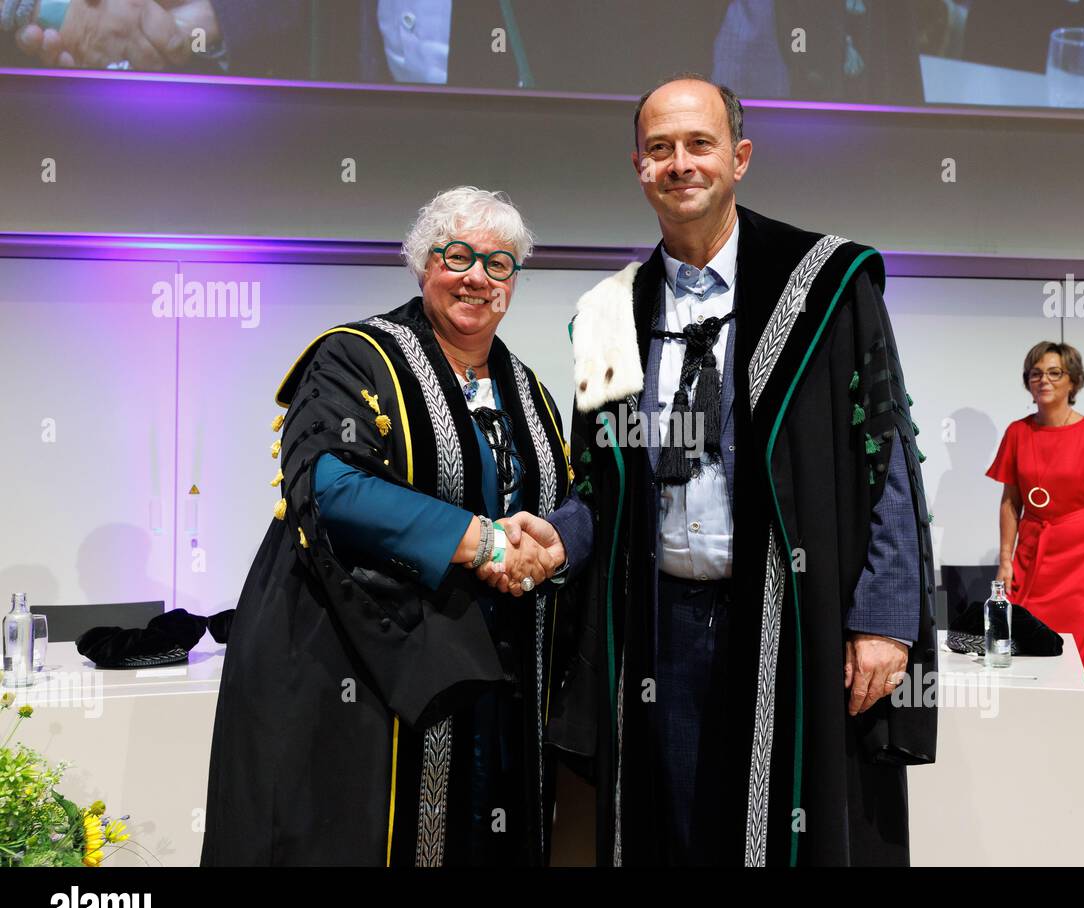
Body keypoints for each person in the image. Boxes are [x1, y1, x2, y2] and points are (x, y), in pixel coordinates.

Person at [502, 75, 937, 866]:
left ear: (738, 158)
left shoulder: (827, 284)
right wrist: (556, 538)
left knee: (787, 830)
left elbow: (887, 455)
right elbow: (599, 483)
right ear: (639, 166)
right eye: (659, 149)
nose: (680, 164)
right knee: (670, 828)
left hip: (791, 612)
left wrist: (885, 617)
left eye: (699, 144)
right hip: (657, 623)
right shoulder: (608, 314)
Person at [201, 186, 572, 865]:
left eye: (498, 263)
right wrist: (484, 543)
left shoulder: (530, 390)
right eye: (456, 256)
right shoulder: (356, 356)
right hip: (362, 659)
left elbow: (560, 502)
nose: (476, 277)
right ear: (420, 265)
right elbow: (331, 485)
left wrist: (545, 553)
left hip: (499, 671)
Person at [986, 341, 1084, 800]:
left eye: (1053, 372)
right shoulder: (1017, 433)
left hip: (1081, 555)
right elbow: (1011, 502)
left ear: (1073, 380)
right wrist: (1006, 559)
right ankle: (1043, 751)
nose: (1043, 380)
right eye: (1035, 372)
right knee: (1032, 652)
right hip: (1032, 554)